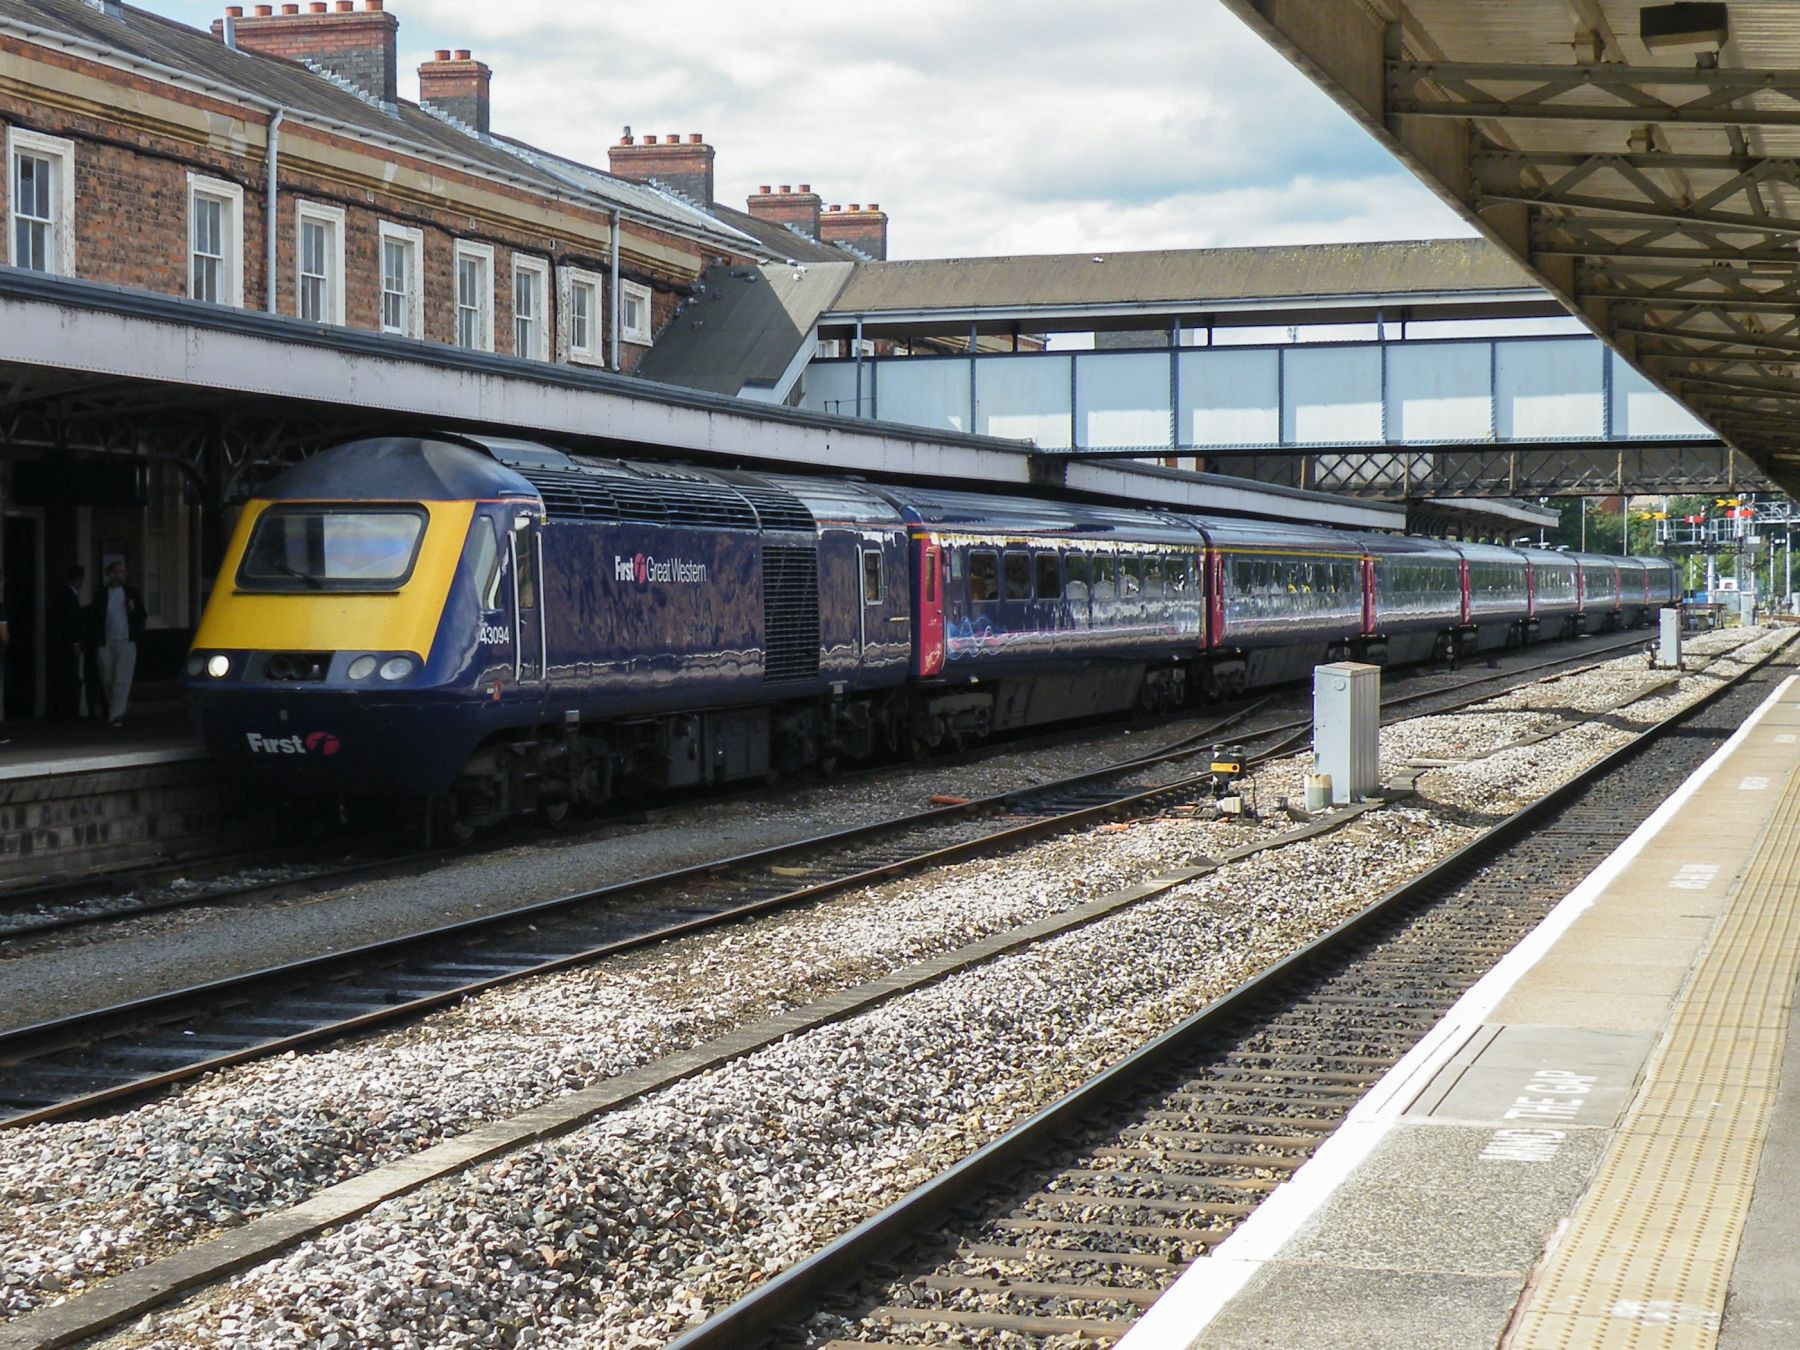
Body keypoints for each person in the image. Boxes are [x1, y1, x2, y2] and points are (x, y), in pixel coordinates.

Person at [95, 560, 144, 727]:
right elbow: (96, 615)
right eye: (120, 572)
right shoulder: (102, 594)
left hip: (125, 640)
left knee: (121, 679)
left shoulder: (131, 593)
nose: (123, 575)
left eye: (124, 572)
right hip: (106, 640)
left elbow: (141, 615)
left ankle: (116, 716)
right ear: (111, 574)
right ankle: (117, 708)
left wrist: (133, 609)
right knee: (107, 678)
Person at [47, 565, 85, 721]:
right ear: (79, 579)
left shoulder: (58, 595)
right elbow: (72, 622)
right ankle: (68, 711)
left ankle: (61, 710)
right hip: (67, 645)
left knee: (62, 676)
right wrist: (76, 643)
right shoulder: (69, 597)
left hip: (58, 644)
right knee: (69, 676)